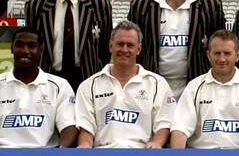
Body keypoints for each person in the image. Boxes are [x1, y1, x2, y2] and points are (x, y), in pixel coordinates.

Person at [125, 0, 227, 98]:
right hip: (151, 89)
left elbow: (220, 49)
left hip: (196, 88)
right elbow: (132, 50)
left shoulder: (211, 6)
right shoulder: (141, 6)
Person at [24, 0, 115, 93]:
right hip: (48, 82)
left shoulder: (100, 4)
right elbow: (29, 48)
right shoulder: (35, 7)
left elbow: (105, 48)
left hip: (87, 81)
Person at [0, 26, 77, 148]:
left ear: (41, 50)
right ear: (12, 48)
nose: (25, 51)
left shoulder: (60, 86)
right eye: (19, 45)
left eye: (31, 46)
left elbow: (69, 128)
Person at [74, 20, 175, 148]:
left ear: (138, 49)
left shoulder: (157, 83)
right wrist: (84, 145)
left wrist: (156, 143)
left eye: (130, 45)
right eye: (120, 44)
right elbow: (86, 129)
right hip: (102, 154)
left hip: (142, 154)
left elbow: (164, 125)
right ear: (111, 46)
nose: (124, 49)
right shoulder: (89, 85)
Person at [170, 30, 239, 150]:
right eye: (217, 53)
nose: (222, 59)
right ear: (208, 55)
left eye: (227, 53)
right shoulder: (194, 86)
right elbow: (180, 129)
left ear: (237, 56)